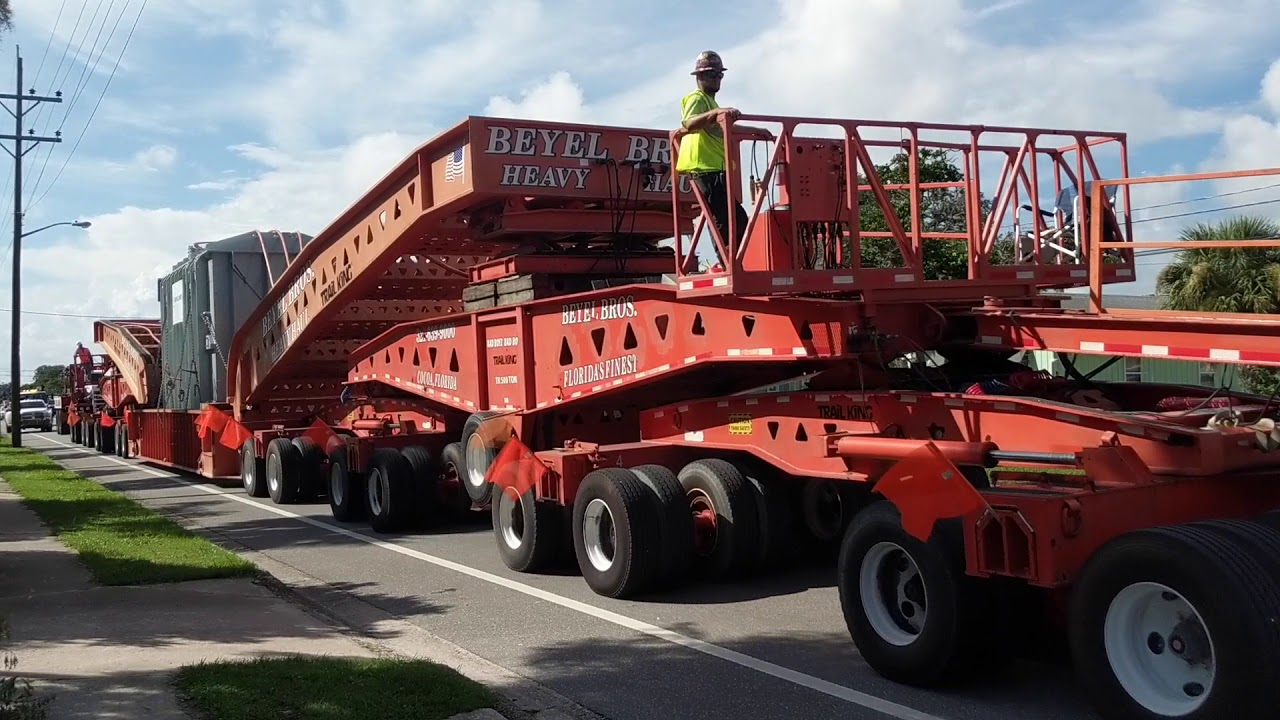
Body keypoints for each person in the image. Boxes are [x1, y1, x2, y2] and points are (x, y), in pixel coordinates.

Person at [674, 51, 771, 259]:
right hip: (705, 168)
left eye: (719, 75)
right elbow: (689, 123)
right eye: (711, 74)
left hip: (715, 168)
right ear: (699, 77)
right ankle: (727, 263)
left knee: (735, 219)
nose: (717, 79)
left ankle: (729, 262)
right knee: (723, 219)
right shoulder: (696, 98)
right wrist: (716, 113)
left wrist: (756, 130)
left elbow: (724, 129)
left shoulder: (712, 105)